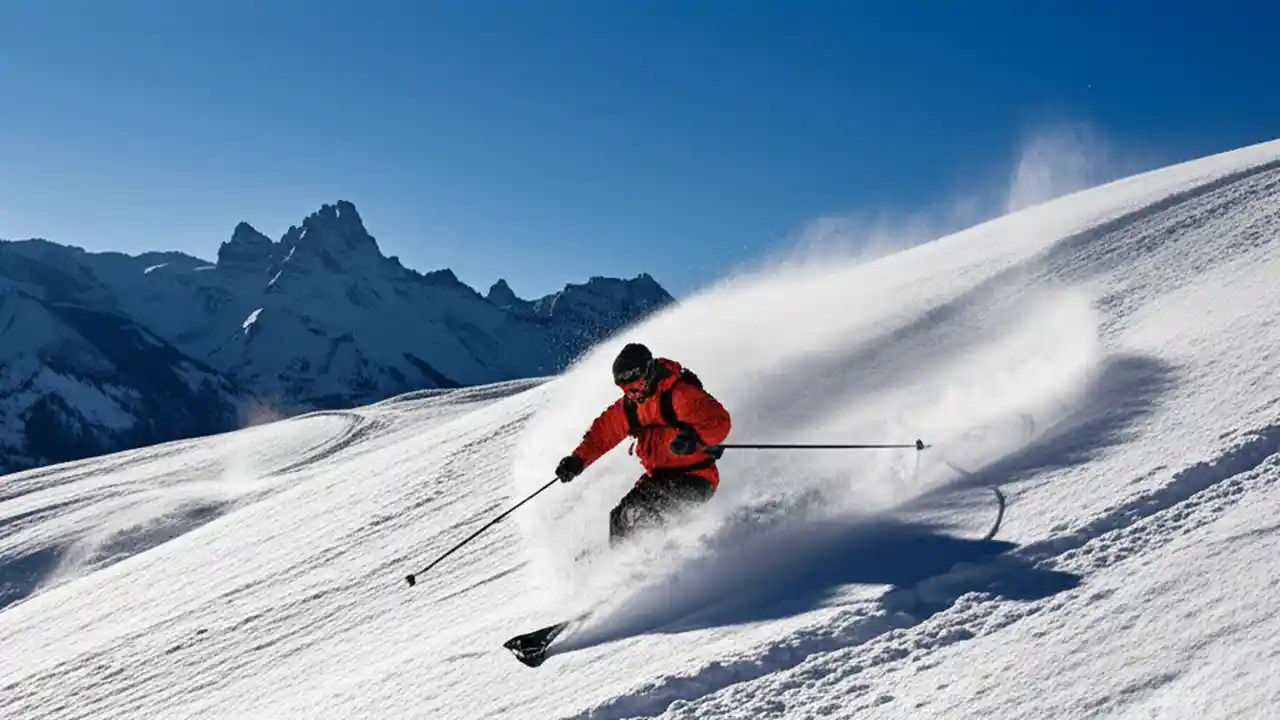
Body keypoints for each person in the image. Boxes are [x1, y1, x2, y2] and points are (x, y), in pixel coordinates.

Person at [555, 343, 731, 545]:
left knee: (639, 515)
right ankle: (622, 568)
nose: (634, 394)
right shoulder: (631, 407)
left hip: (695, 477)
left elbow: (719, 421)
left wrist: (695, 437)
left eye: (637, 386)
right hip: (658, 479)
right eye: (627, 390)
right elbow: (603, 434)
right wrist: (577, 460)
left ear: (649, 371)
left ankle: (658, 565)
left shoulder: (679, 395)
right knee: (620, 518)